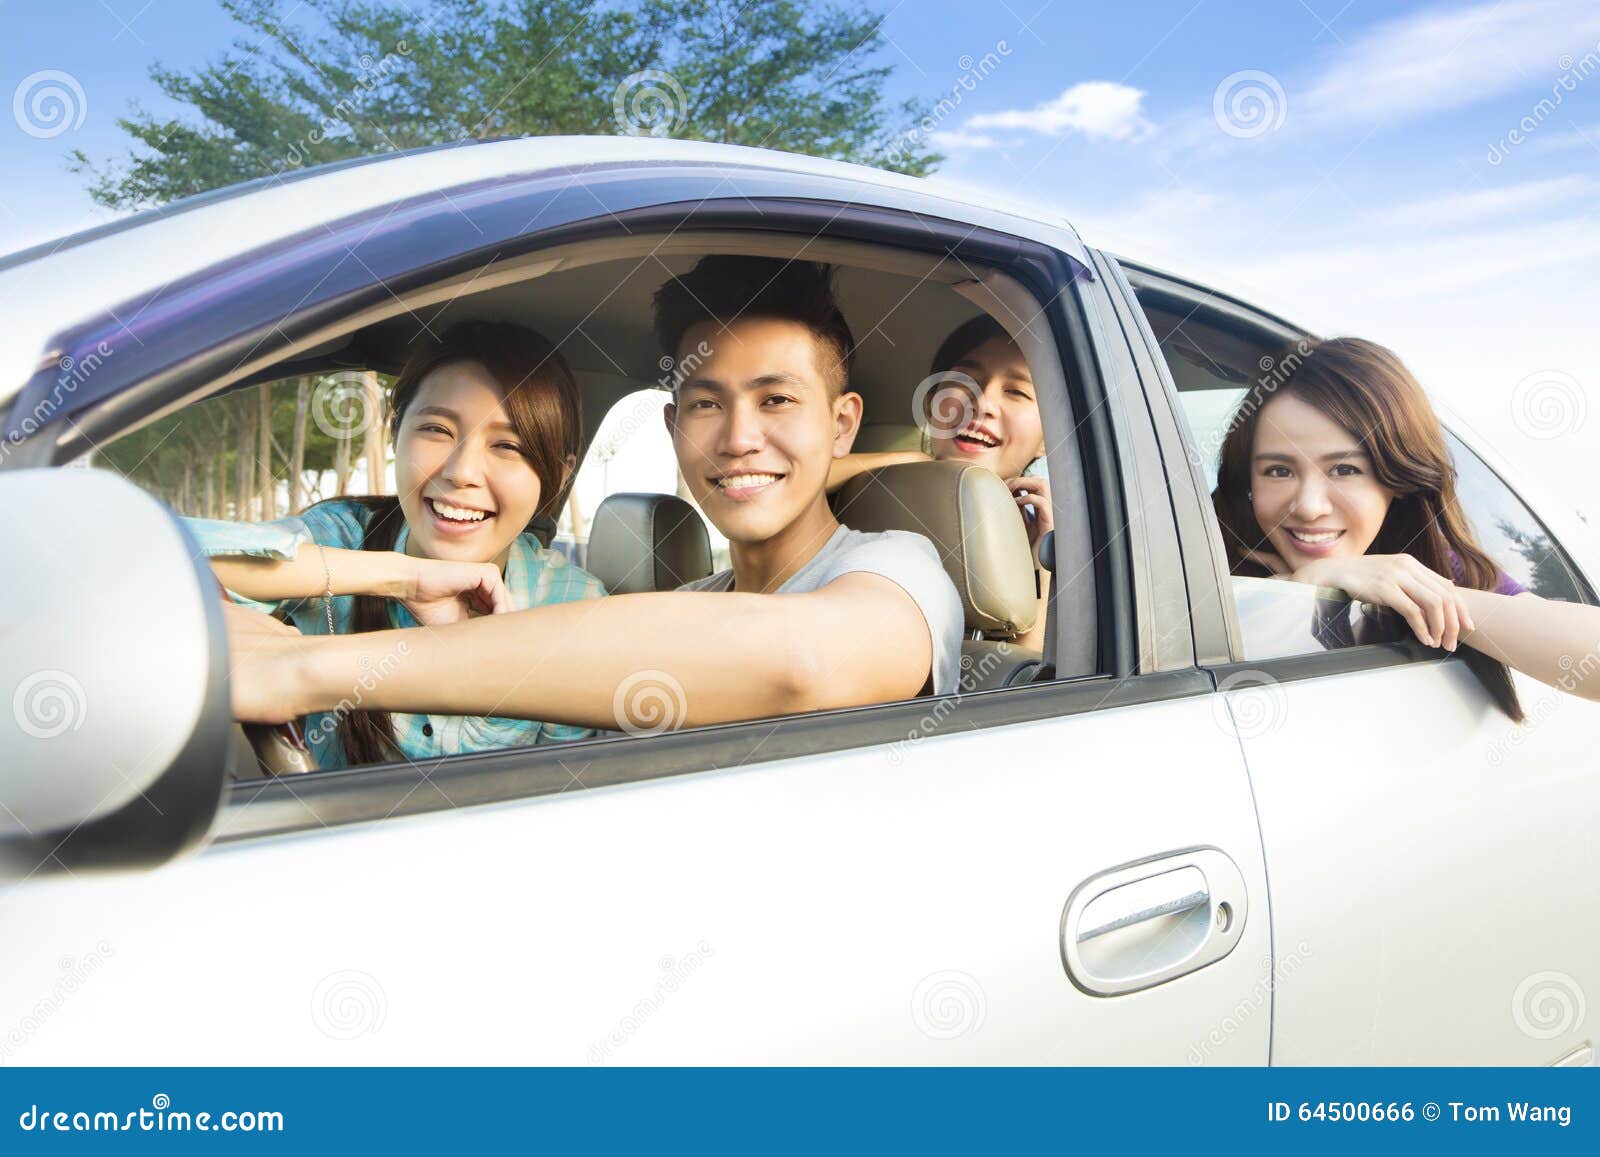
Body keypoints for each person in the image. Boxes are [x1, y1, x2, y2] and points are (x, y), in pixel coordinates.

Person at [223, 257, 965, 734]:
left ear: (841, 425)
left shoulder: (899, 567)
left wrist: (299, 672)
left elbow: (803, 662)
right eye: (706, 404)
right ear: (675, 428)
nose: (738, 437)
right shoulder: (680, 611)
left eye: (775, 401)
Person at [190, 320, 605, 765]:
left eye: (507, 446)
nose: (461, 471)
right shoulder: (341, 539)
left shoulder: (571, 604)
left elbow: (559, 799)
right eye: (437, 431)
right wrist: (401, 577)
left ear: (559, 475)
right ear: (395, 434)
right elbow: (165, 556)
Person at [1213, 336, 1600, 719]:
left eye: (1345, 469)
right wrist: (1292, 594)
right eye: (1278, 471)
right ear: (1247, 480)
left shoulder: (1423, 562)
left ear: (1396, 480)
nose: (1310, 507)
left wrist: (1420, 596)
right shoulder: (1195, 561)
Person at [826, 315, 1052, 649]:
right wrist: (912, 461)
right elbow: (793, 486)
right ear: (932, 403)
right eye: (965, 379)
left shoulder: (1054, 539)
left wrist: (1044, 563)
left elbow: (1019, 677)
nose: (983, 403)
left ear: (1047, 438)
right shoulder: (865, 496)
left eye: (1017, 392)